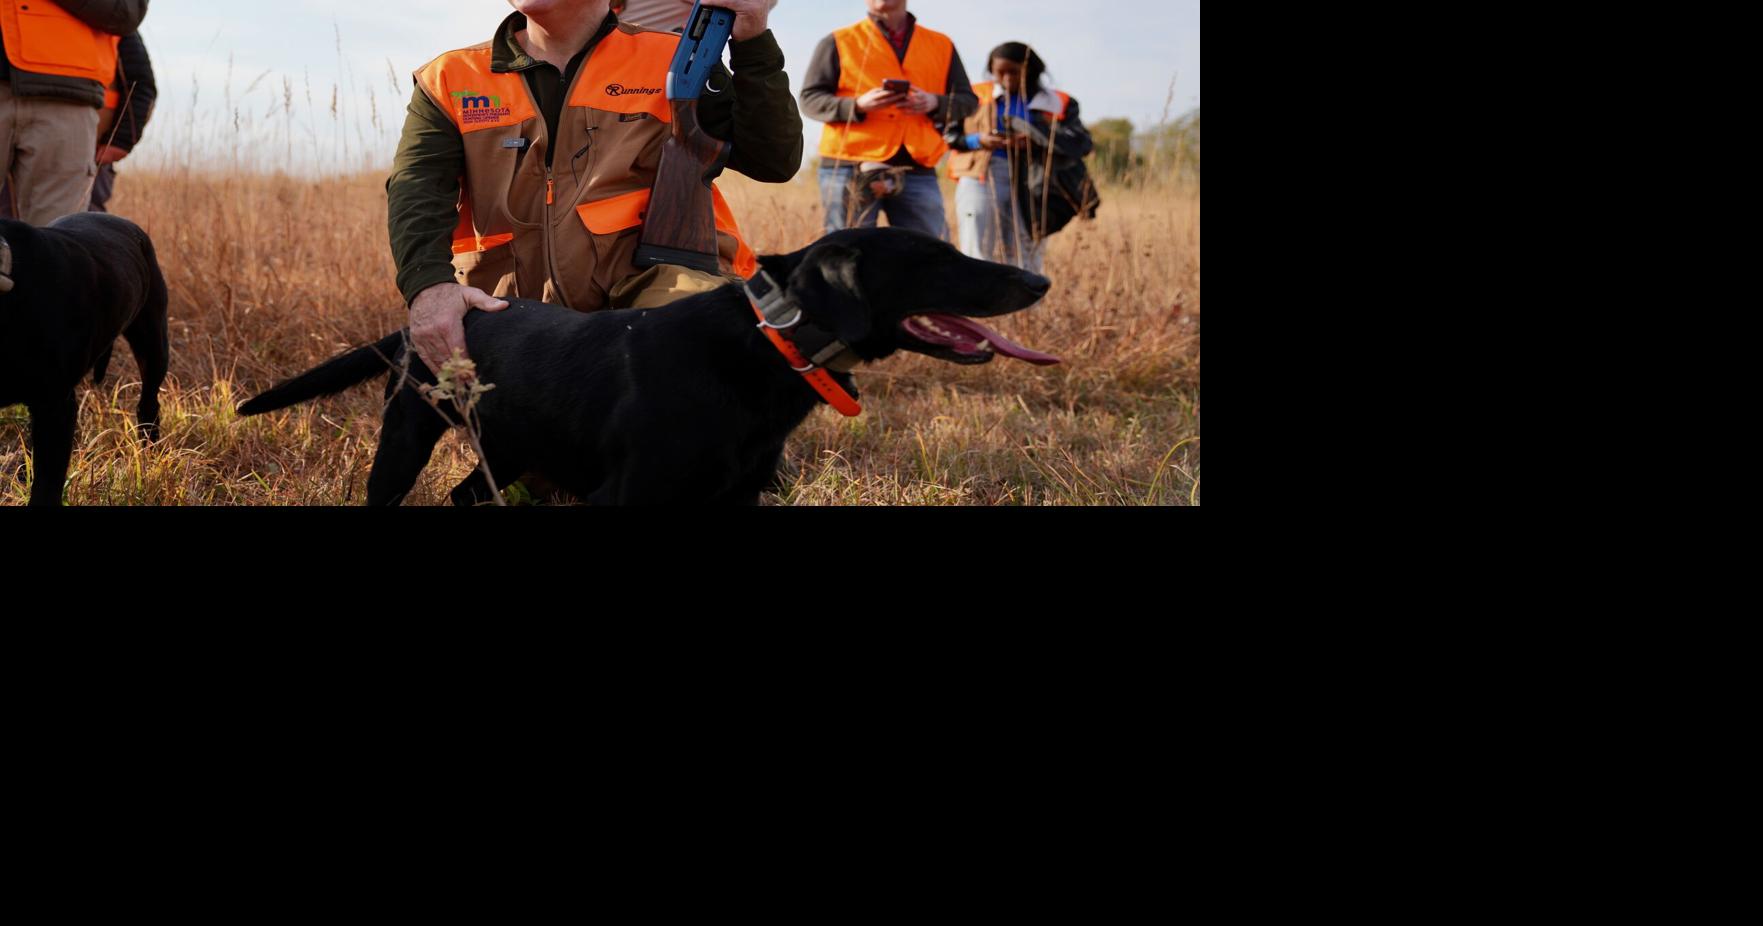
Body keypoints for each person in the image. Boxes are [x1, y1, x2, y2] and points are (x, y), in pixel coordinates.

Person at [387, 0, 800, 375]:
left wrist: (753, 44)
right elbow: (416, 189)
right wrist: (429, 287)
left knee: (694, 357)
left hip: (648, 295)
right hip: (510, 309)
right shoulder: (450, 78)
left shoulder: (675, 58)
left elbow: (773, 161)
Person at [799, 0, 976, 238]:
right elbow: (809, 99)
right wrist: (857, 105)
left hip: (917, 167)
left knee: (929, 257)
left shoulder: (941, 44)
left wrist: (935, 103)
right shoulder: (838, 41)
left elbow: (968, 101)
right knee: (847, 256)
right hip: (848, 165)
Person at [946, 42, 1093, 273]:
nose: (1006, 78)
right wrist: (979, 140)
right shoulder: (974, 95)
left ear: (1030, 70)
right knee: (977, 246)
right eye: (999, 72)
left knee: (1026, 245)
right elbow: (950, 136)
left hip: (1032, 180)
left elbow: (1081, 143)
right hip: (982, 175)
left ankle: (1027, 305)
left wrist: (1035, 139)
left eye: (1014, 72)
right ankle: (980, 305)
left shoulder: (1057, 102)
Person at [0, 0, 148, 225]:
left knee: (58, 242)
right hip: (71, 103)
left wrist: (122, 138)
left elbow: (127, 11)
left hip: (68, 102)